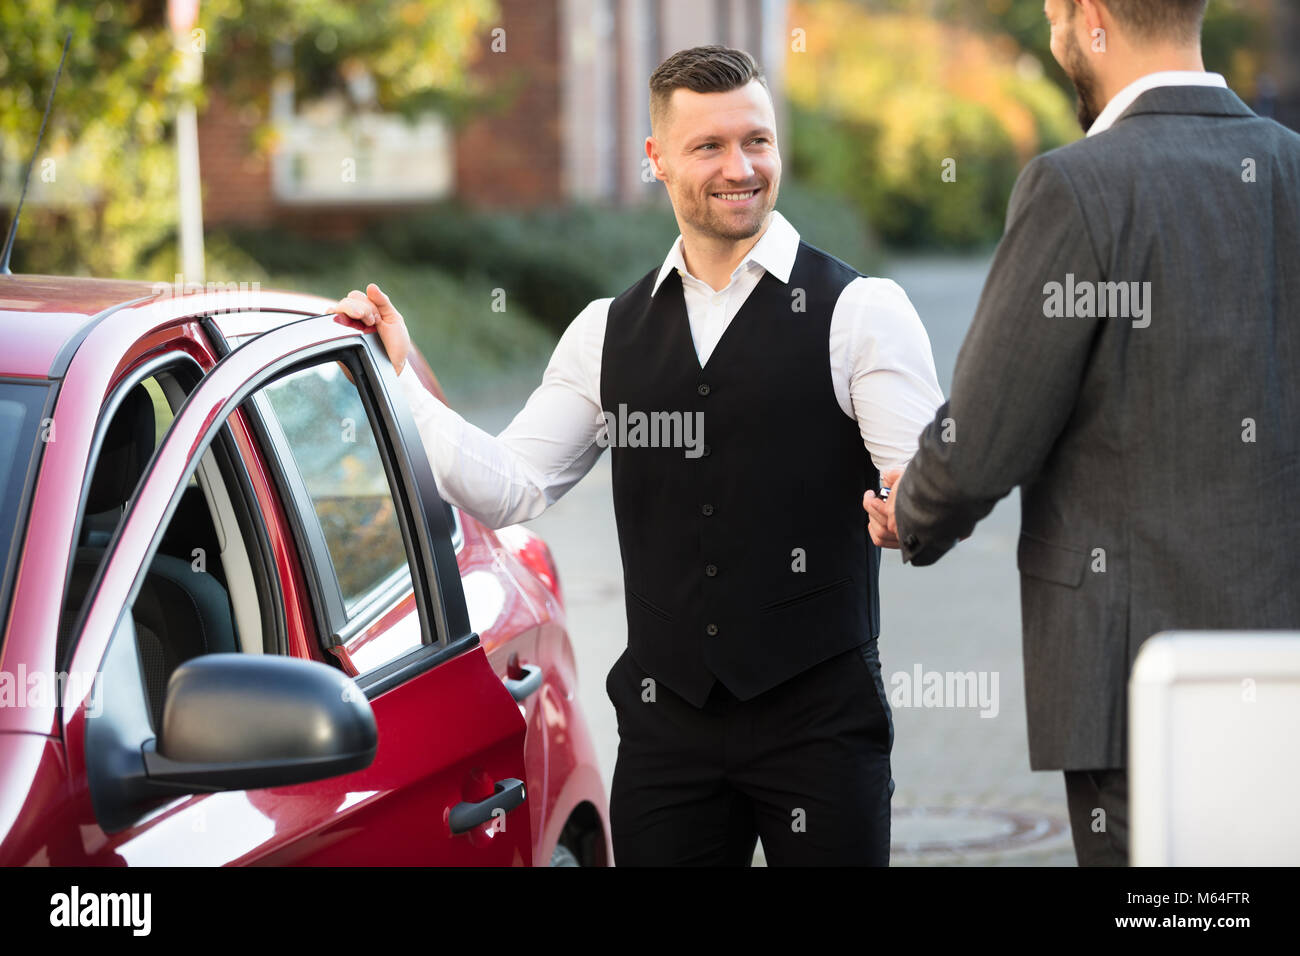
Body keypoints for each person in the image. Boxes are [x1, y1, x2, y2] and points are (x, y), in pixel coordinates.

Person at [338, 45, 944, 865]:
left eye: (757, 141)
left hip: (821, 728)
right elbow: (510, 486)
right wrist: (399, 378)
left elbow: (925, 484)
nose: (742, 167)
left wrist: (913, 513)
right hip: (669, 735)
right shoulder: (606, 332)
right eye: (710, 147)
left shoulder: (863, 312)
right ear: (657, 160)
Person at [865, 0, 1300, 866]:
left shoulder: (1077, 185)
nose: (1055, 34)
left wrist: (912, 512)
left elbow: (987, 436)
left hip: (1130, 675)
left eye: (1057, 15)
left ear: (1092, 17)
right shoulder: (1291, 169)